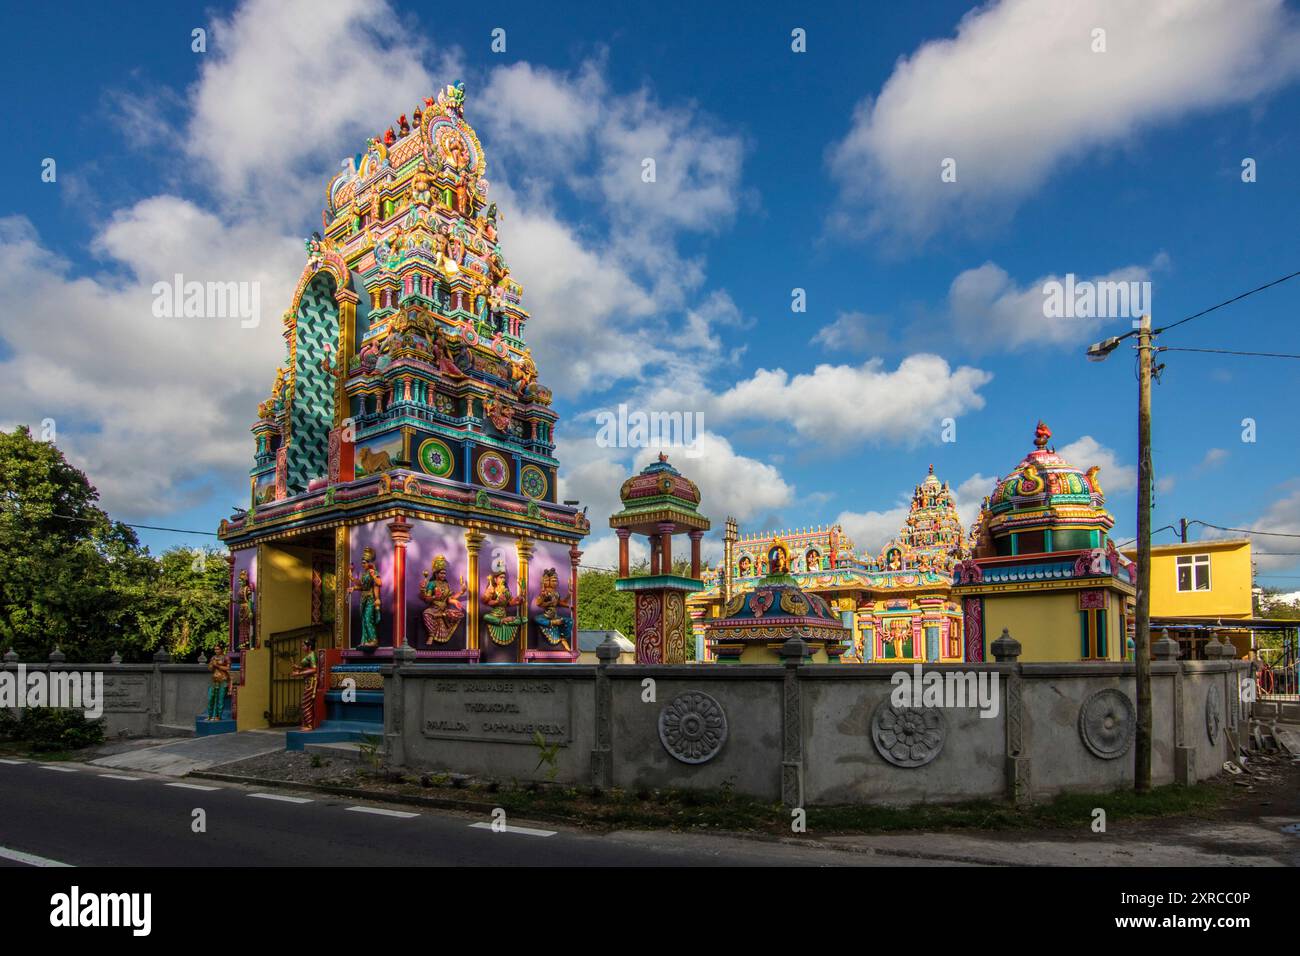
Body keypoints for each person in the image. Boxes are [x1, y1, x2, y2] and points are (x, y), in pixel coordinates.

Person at [290, 637, 319, 731]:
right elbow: (308, 668)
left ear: (309, 646)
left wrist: (299, 673)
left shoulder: (312, 655)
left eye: (303, 645)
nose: (302, 647)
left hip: (311, 682)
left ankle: (310, 725)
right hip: (308, 681)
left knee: (305, 704)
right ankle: (307, 724)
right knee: (306, 703)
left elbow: (314, 669)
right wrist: (298, 667)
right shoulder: (309, 655)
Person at [205, 642, 231, 721]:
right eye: (215, 649)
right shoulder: (213, 658)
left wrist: (218, 666)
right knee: (210, 698)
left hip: (223, 680)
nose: (216, 651)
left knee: (220, 699)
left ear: (222, 649)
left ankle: (218, 716)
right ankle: (210, 715)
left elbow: (228, 668)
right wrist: (211, 665)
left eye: (218, 649)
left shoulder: (226, 658)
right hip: (214, 680)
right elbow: (210, 669)